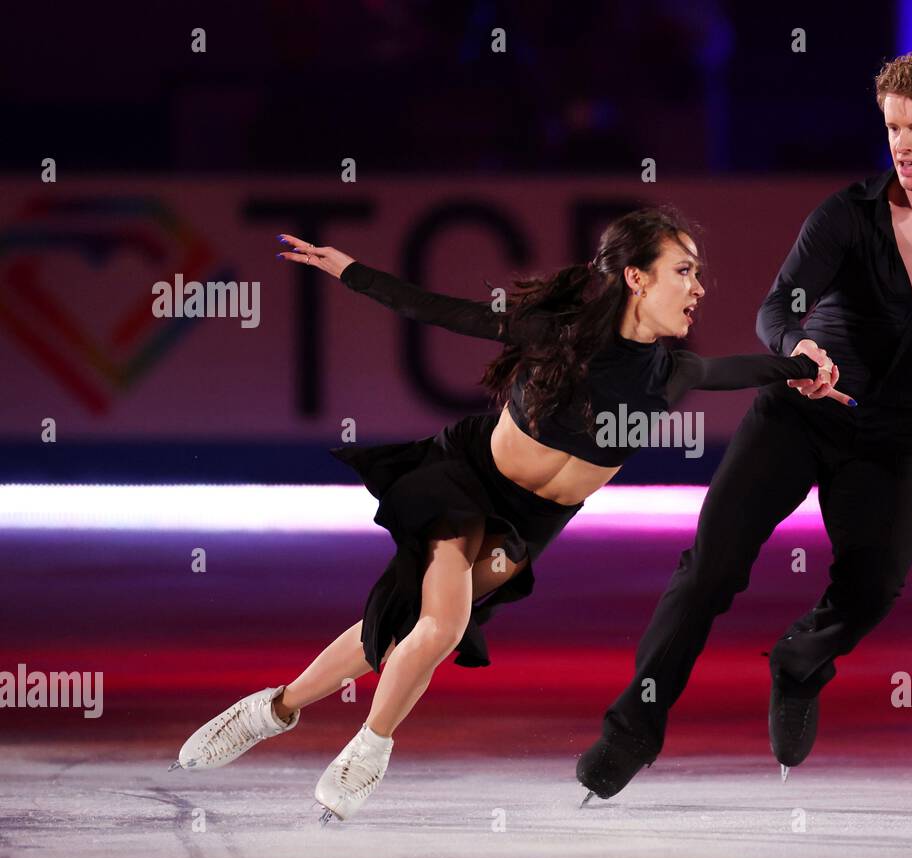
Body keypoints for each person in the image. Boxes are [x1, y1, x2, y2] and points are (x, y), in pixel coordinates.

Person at [170, 205, 847, 824]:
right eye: (684, 271)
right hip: (466, 484)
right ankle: (368, 751)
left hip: (529, 528)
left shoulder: (673, 374)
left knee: (403, 632)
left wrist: (802, 367)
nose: (699, 288)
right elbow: (443, 311)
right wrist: (351, 271)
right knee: (441, 625)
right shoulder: (559, 337)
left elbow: (747, 370)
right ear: (636, 278)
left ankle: (272, 709)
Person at [577, 50, 912, 800]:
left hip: (892, 432)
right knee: (710, 569)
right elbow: (777, 306)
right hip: (797, 412)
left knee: (876, 584)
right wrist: (798, 345)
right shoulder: (847, 215)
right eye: (893, 127)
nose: (902, 145)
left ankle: (799, 663)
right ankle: (632, 727)